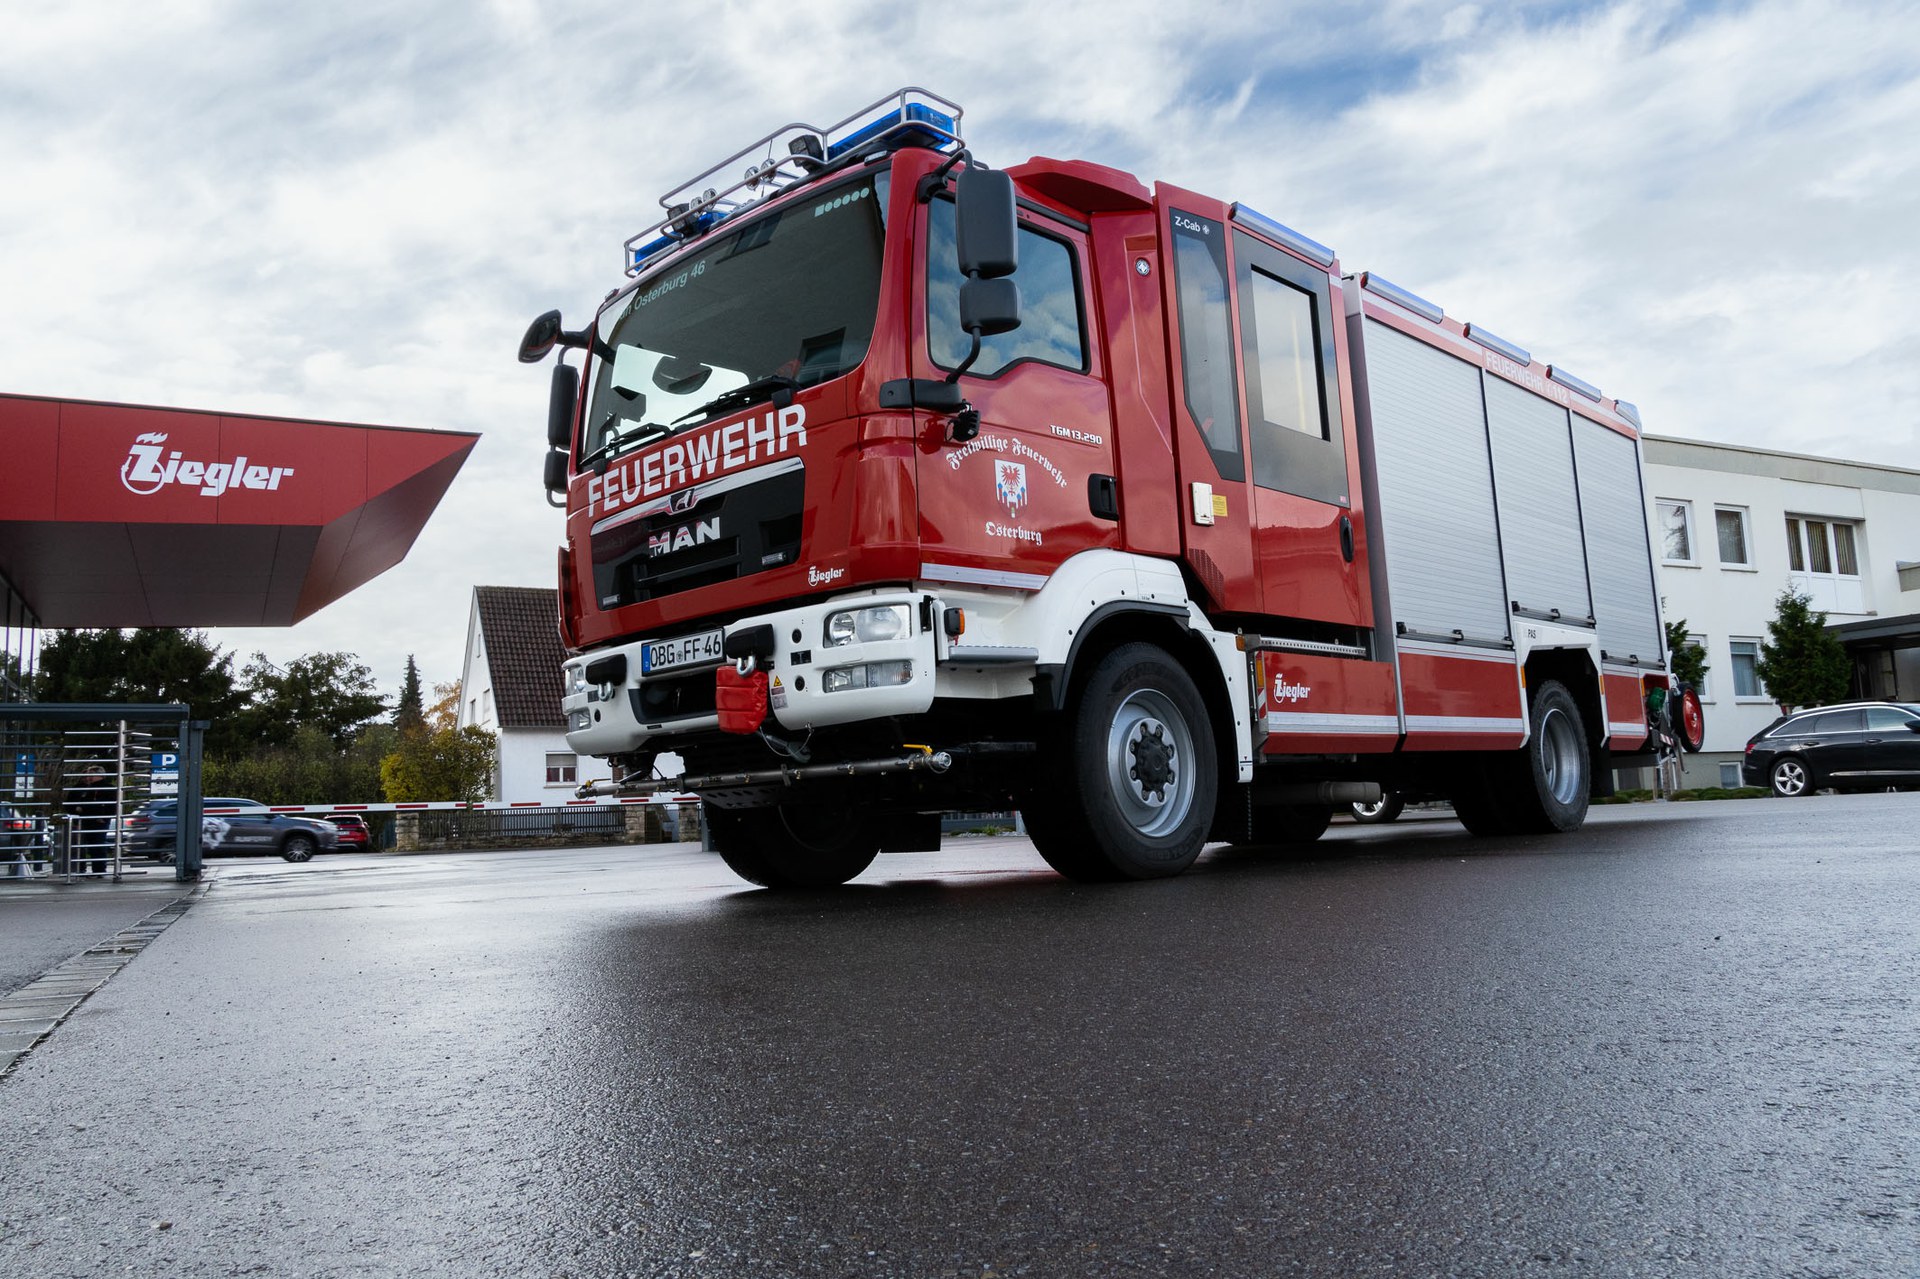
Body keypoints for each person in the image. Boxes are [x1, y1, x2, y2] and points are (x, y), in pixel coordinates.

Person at [68, 758, 115, 875]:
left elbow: (111, 806)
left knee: (97, 845)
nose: (88, 777)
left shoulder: (107, 788)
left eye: (91, 775)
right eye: (88, 775)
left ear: (100, 775)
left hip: (98, 821)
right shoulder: (85, 788)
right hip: (84, 820)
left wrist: (103, 817)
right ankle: (87, 869)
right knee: (85, 845)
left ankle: (99, 870)